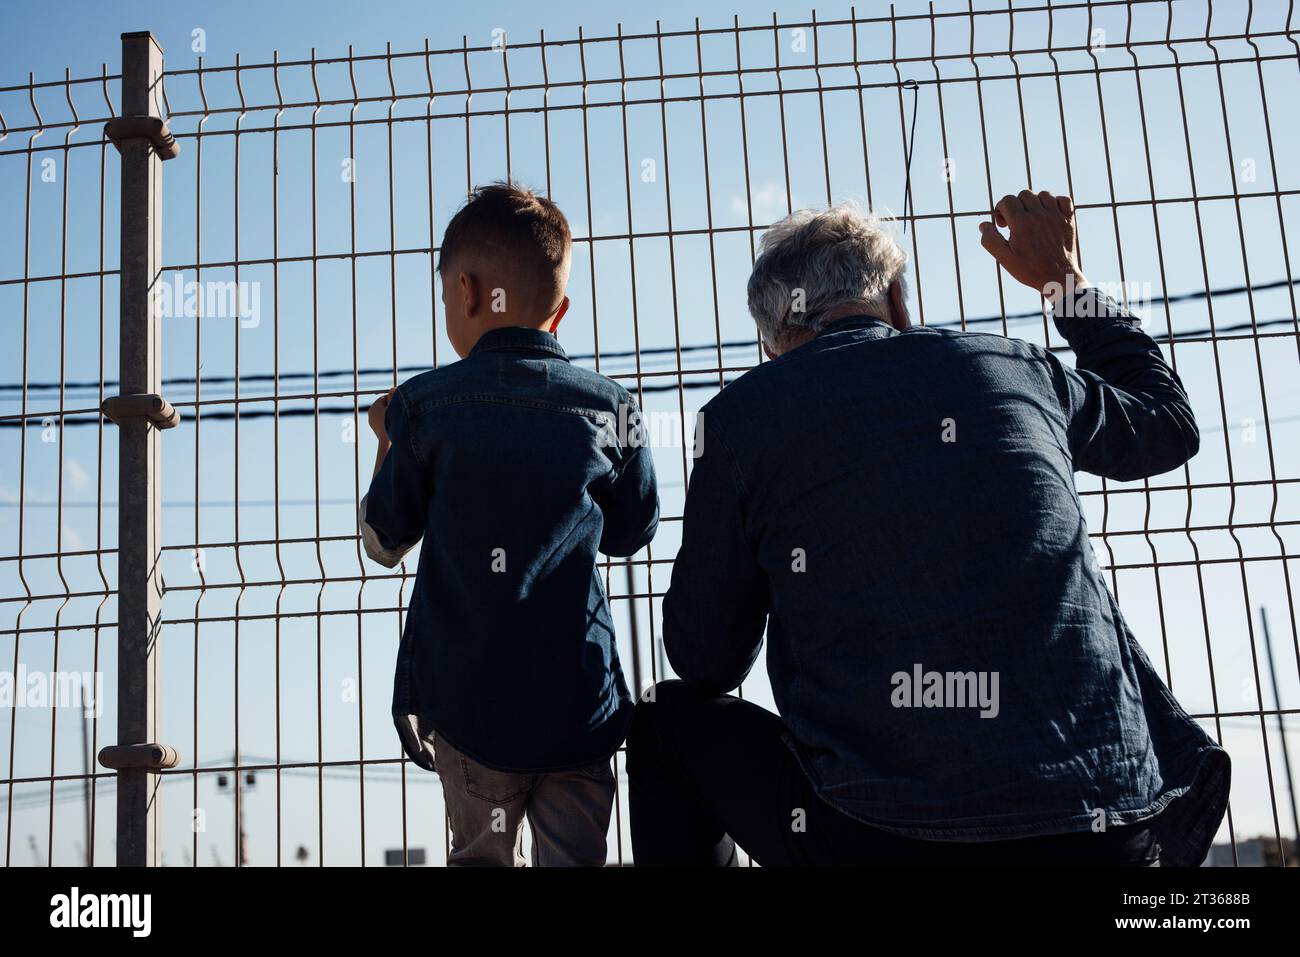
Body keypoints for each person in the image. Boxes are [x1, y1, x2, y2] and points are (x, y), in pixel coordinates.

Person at [626, 189, 1230, 867]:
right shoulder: (1018, 369)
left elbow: (704, 660)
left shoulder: (741, 420)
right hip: (1106, 825)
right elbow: (1166, 424)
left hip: (878, 839)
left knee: (664, 720)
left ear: (773, 343)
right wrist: (1067, 281)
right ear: (899, 305)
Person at [360, 182, 659, 866]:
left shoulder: (424, 407)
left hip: (470, 707)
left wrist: (385, 436)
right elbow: (633, 530)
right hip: (579, 706)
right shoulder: (615, 408)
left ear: (466, 292)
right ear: (560, 313)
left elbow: (382, 542)